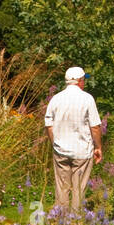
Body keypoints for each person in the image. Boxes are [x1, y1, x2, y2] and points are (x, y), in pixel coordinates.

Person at [44, 67, 102, 212]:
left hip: (60, 151)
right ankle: (75, 224)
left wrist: (54, 143)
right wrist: (98, 147)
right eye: (84, 80)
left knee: (62, 189)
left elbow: (48, 125)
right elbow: (95, 127)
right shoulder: (87, 98)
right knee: (78, 190)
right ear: (80, 81)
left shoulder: (56, 99)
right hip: (82, 152)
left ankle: (61, 223)